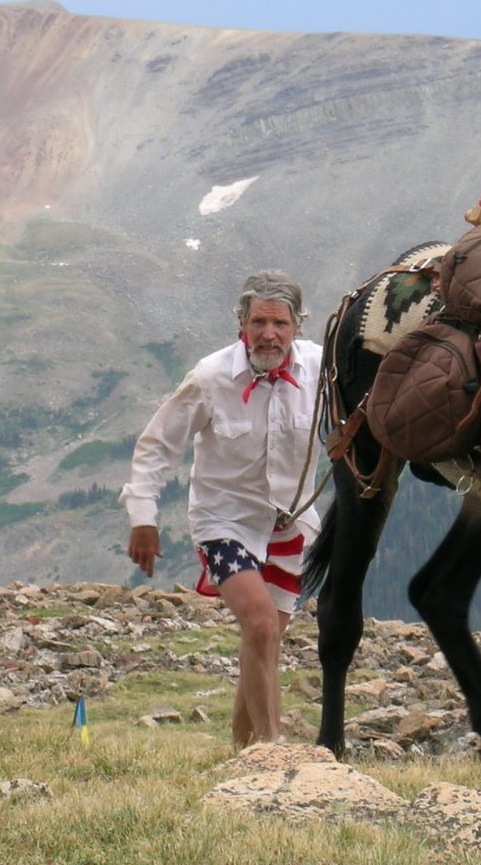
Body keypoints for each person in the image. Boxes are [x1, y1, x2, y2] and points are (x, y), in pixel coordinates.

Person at [121, 270, 321, 748]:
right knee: (260, 623)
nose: (268, 334)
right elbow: (158, 445)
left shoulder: (321, 367)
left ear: (297, 327)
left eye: (279, 324)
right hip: (223, 522)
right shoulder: (212, 377)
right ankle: (272, 753)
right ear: (241, 324)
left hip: (291, 523)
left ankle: (239, 750)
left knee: (266, 642)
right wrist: (142, 517)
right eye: (258, 322)